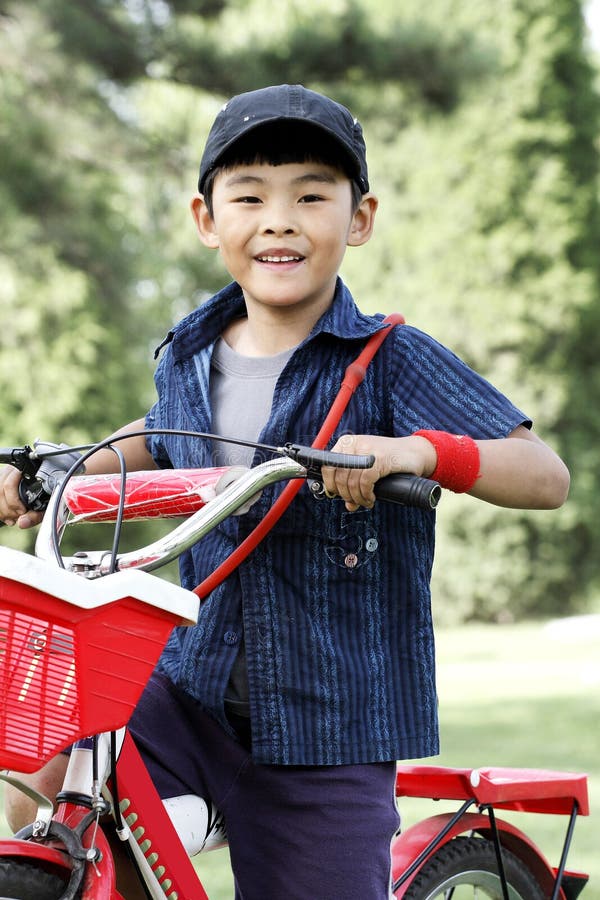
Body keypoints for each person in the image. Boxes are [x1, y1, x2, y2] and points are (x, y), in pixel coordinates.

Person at [0, 84, 569, 899]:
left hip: (326, 727)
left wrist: (417, 451)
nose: (279, 218)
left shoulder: (389, 357)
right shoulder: (189, 352)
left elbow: (544, 474)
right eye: (250, 195)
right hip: (189, 693)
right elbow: (164, 435)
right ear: (207, 219)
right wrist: (55, 463)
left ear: (359, 218)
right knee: (64, 750)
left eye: (311, 194)